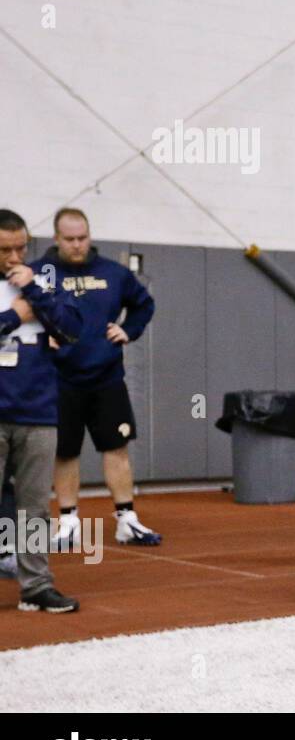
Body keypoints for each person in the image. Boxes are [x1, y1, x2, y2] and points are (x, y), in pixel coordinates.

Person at [42, 208, 160, 549]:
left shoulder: (114, 273)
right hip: (59, 377)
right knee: (65, 451)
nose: (77, 245)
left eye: (83, 238)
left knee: (116, 447)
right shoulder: (40, 273)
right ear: (56, 239)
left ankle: (126, 520)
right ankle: (67, 523)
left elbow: (144, 305)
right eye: (70, 239)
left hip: (106, 376)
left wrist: (128, 330)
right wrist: (39, 336)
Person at [0, 209, 82, 613]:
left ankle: (35, 586)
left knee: (33, 508)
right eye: (4, 250)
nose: (14, 257)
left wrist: (35, 293)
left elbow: (70, 330)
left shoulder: (43, 281)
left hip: (37, 412)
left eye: (21, 248)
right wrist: (13, 316)